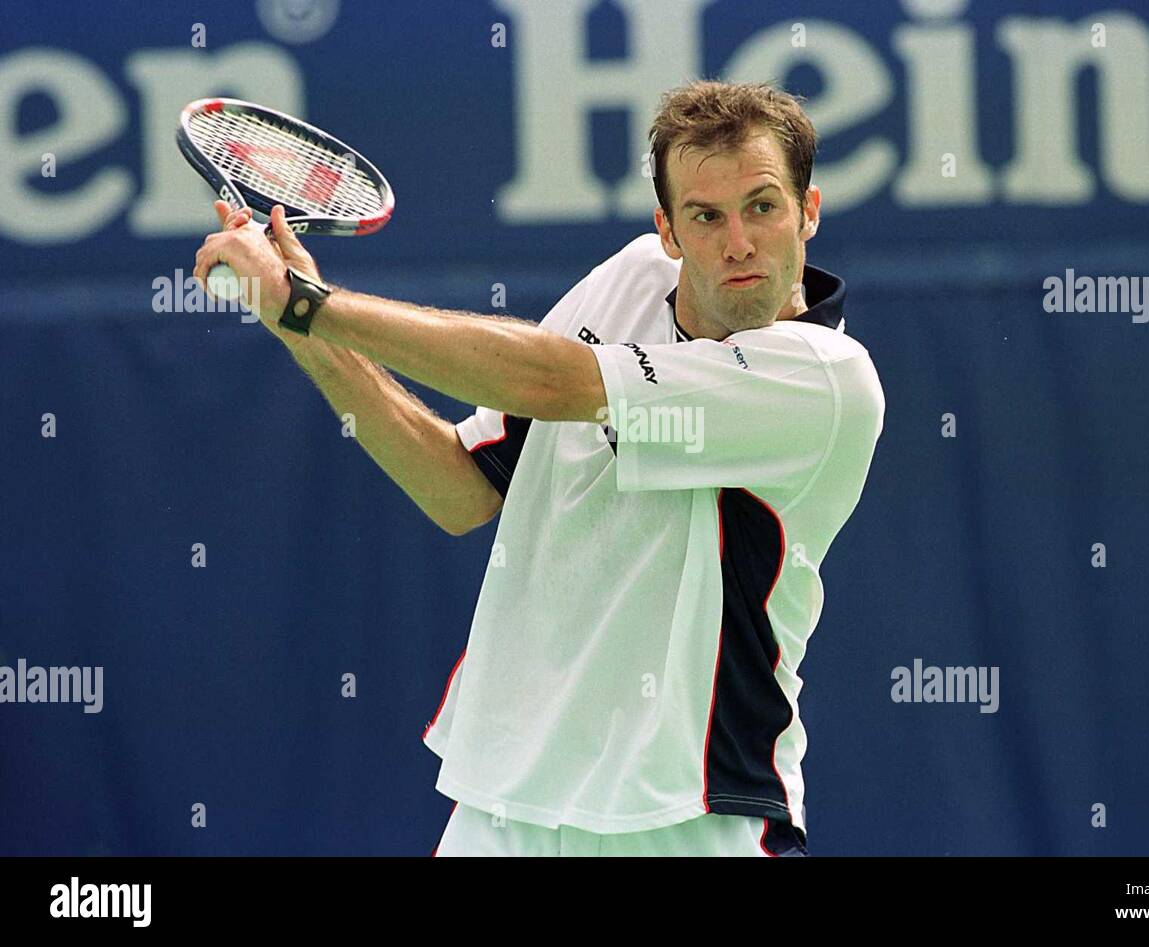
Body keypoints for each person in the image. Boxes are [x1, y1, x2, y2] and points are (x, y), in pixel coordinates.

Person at [194, 79, 885, 857]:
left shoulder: (829, 381)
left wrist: (311, 302)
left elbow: (559, 382)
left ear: (810, 210)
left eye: (763, 206)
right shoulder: (627, 277)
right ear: (667, 229)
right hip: (505, 807)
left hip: (691, 817)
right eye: (706, 215)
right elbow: (459, 487)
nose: (738, 242)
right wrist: (301, 329)